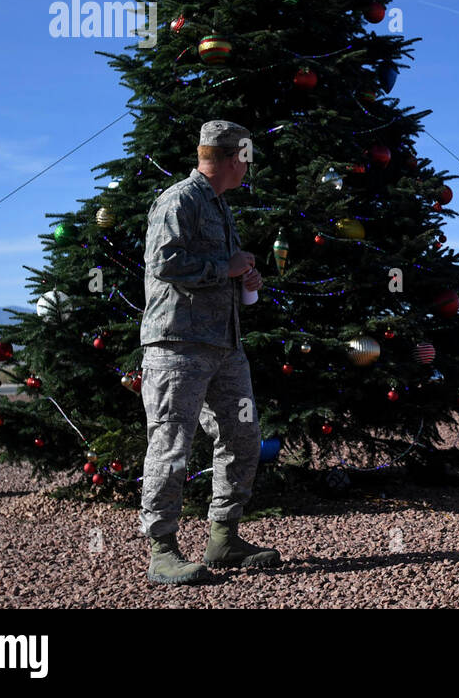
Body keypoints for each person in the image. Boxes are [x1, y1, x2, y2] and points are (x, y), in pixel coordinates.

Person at [138, 119, 280, 585]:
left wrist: (244, 277)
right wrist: (227, 266)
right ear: (226, 156)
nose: (248, 167)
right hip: (177, 345)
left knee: (242, 435)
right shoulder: (179, 199)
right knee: (170, 443)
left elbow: (224, 269)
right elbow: (163, 261)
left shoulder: (220, 206)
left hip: (224, 344)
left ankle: (224, 536)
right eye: (245, 157)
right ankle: (162, 549)